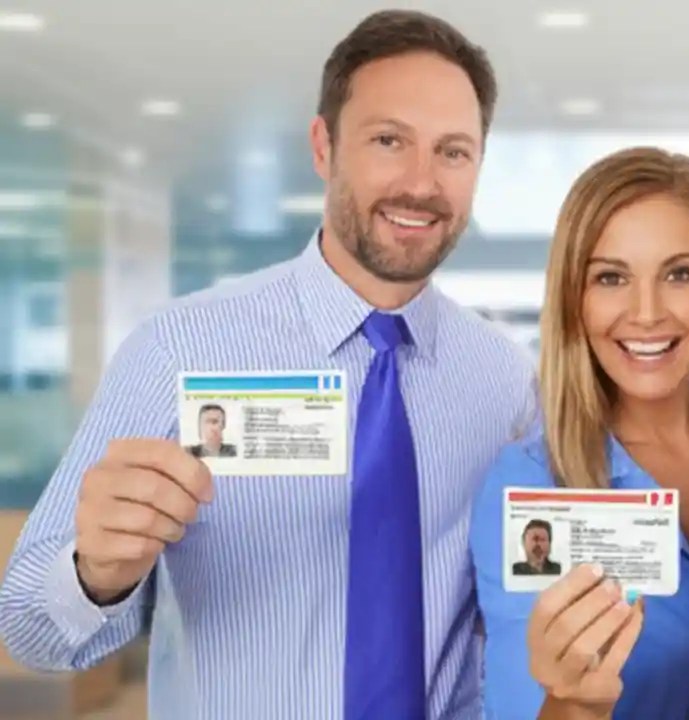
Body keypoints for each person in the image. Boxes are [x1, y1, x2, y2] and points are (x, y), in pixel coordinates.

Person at [0, 11, 535, 719]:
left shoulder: (506, 382)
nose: (421, 182)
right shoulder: (180, 351)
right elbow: (28, 629)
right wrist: (95, 573)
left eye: (453, 152)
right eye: (387, 140)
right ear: (323, 147)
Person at [469, 147, 689, 720]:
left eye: (679, 274)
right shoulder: (530, 483)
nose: (647, 312)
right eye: (611, 278)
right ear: (574, 299)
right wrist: (573, 698)